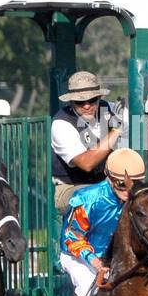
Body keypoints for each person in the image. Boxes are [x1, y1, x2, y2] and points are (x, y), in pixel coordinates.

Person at [56, 148, 147, 296]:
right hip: (77, 256)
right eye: (122, 185)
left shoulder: (137, 202)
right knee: (89, 283)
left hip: (115, 260)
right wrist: (95, 263)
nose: (128, 191)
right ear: (109, 178)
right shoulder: (87, 199)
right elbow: (71, 237)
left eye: (133, 185)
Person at [51, 70, 127, 213]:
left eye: (92, 100)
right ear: (71, 101)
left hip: (110, 185)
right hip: (71, 187)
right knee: (96, 199)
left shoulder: (112, 110)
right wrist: (116, 131)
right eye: (80, 102)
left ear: (99, 98)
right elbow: (86, 164)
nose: (87, 106)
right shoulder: (60, 123)